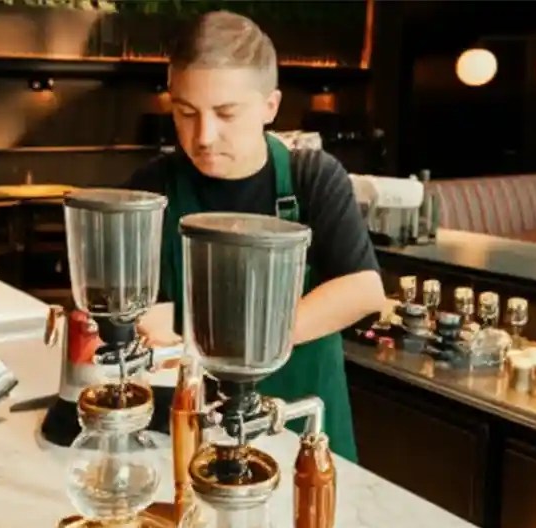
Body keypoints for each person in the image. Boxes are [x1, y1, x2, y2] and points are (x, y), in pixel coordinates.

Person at [125, 10, 385, 463]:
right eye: (186, 113)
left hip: (303, 434)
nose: (204, 136)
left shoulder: (312, 178)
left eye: (226, 113)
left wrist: (235, 342)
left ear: (271, 106)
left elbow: (363, 290)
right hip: (192, 437)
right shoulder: (153, 188)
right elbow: (144, 309)